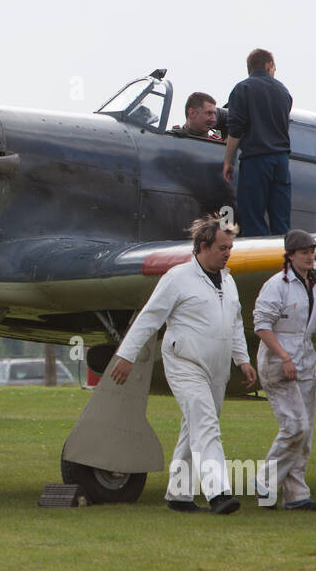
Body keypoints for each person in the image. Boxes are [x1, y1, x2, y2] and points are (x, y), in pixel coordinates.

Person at [108, 215, 257, 515]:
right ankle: (219, 494)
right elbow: (150, 317)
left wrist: (243, 360)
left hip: (217, 369)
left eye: (230, 247)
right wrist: (126, 356)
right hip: (184, 364)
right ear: (203, 246)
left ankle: (179, 494)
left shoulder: (229, 282)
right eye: (222, 247)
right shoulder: (176, 278)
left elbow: (235, 323)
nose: (228, 253)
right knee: (206, 425)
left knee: (196, 428)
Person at [252, 229, 316, 511]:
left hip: (305, 364)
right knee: (295, 426)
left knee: (306, 434)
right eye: (304, 252)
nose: (310, 256)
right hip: (277, 366)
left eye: (312, 251)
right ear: (290, 256)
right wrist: (284, 358)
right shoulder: (275, 285)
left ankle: (296, 494)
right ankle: (264, 482)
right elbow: (262, 326)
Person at [221, 48, 292, 236]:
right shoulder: (284, 92)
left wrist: (229, 161)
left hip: (256, 160)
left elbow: (235, 130)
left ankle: (259, 262)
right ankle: (284, 261)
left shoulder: (242, 89)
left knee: (253, 219)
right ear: (269, 65)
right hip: (281, 161)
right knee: (281, 221)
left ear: (250, 68)